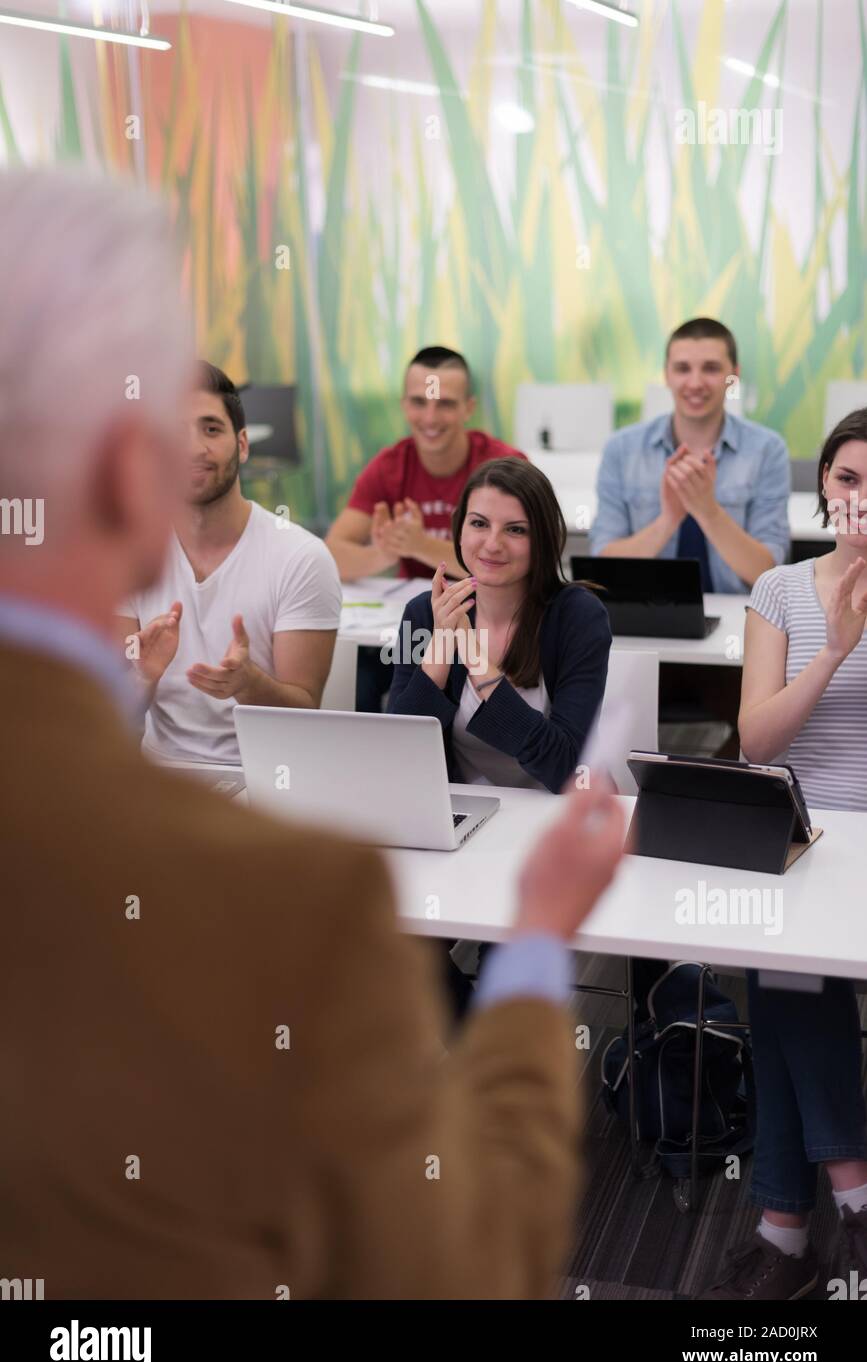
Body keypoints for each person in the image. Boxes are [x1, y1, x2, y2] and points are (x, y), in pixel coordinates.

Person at [0, 166, 627, 1300]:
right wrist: (538, 937)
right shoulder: (298, 903)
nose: (485, 544)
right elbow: (463, 1266)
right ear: (128, 479)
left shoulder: (566, 616)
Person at [698, 408, 867, 1300]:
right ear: (823, 488)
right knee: (787, 978)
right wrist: (832, 654)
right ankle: (852, 1200)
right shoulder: (780, 590)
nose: (860, 498)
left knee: (781, 990)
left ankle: (782, 1231)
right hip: (799, 836)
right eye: (846, 479)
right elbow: (756, 742)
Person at [388, 457, 612, 1012]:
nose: (492, 544)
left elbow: (562, 764)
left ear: (543, 540)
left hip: (548, 826)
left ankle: (483, 1054)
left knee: (504, 978)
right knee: (392, 947)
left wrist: (480, 664)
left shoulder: (577, 616)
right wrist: (441, 645)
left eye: (516, 530)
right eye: (479, 524)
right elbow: (399, 753)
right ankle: (468, 1053)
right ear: (459, 528)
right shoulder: (425, 611)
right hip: (456, 824)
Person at [116, 361, 342, 765]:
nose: (194, 447)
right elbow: (111, 715)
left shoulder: (302, 558)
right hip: (159, 778)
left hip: (265, 781)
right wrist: (143, 677)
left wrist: (249, 684)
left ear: (242, 444)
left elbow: (305, 712)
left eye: (211, 429)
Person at [325, 345, 526, 710]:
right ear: (404, 405)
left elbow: (525, 562)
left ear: (469, 407)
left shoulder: (505, 466)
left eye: (445, 404)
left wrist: (419, 545)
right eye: (420, 402)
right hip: (412, 629)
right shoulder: (390, 466)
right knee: (358, 677)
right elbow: (331, 555)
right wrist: (383, 553)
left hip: (488, 628)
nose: (430, 417)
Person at [589, 317, 790, 593]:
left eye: (711, 368)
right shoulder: (621, 449)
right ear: (667, 375)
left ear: (734, 376)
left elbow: (767, 572)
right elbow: (603, 569)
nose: (695, 383)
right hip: (646, 619)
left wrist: (707, 511)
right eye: (682, 369)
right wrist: (669, 520)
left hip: (739, 620)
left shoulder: (768, 450)